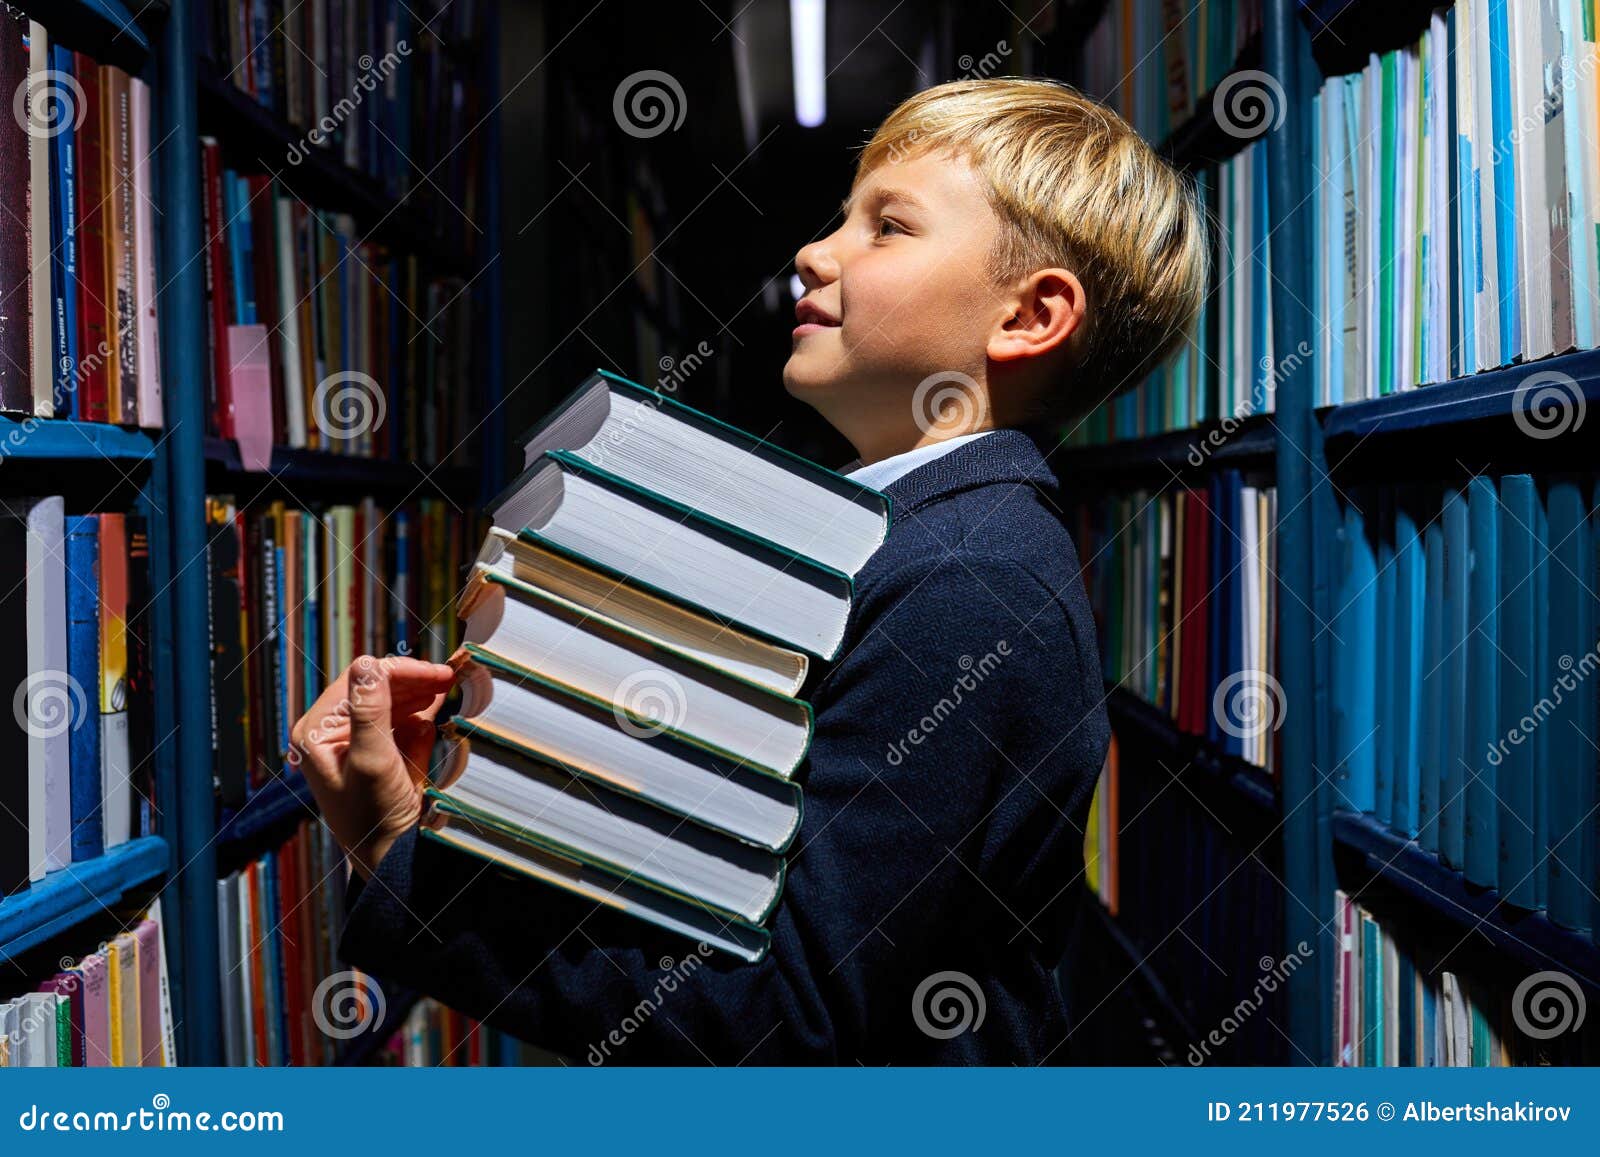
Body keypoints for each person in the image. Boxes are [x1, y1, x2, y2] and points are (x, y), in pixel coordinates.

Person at [292, 77, 1207, 1064]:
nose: (813, 252)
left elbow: (786, 1021)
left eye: (887, 226)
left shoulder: (970, 584)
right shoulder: (902, 535)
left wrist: (401, 857)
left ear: (1029, 317)